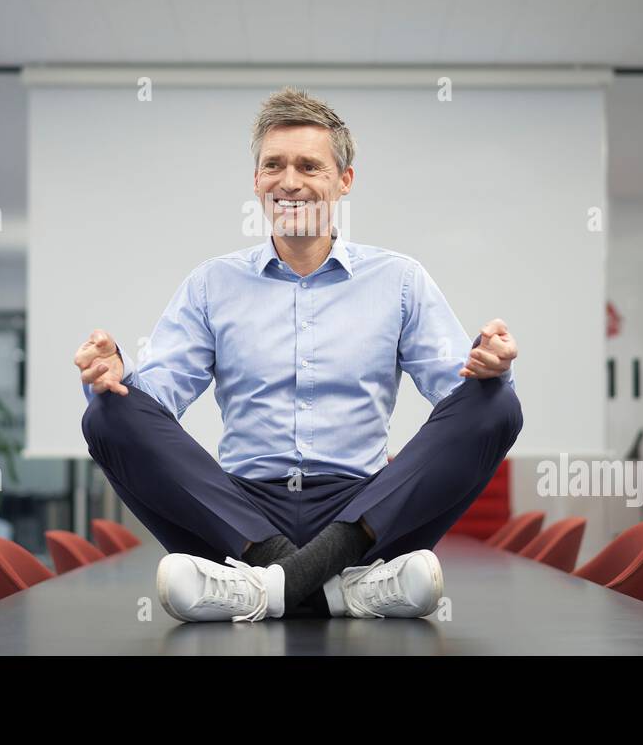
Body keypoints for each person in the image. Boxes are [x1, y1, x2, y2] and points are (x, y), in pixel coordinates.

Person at [74, 86, 522, 623]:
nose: (290, 182)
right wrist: (115, 373)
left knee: (496, 404)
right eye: (274, 166)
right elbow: (154, 400)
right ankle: (338, 590)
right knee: (108, 413)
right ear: (256, 181)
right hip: (237, 518)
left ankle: (268, 588)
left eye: (309, 166)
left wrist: (490, 368)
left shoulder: (400, 280)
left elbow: (460, 396)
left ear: (344, 180)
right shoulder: (212, 283)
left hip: (365, 514)